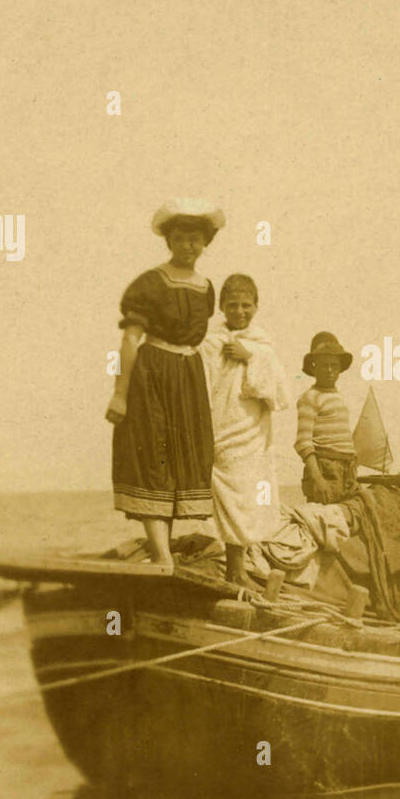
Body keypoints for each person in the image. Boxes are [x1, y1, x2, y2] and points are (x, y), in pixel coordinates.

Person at [106, 200, 225, 567]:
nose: (188, 246)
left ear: (205, 243)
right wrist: (120, 394)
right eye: (181, 238)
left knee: (180, 460)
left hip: (188, 377)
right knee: (151, 459)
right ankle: (161, 556)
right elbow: (129, 341)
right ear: (169, 241)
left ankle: (164, 554)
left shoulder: (206, 288)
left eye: (195, 239)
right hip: (152, 374)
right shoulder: (150, 283)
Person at [200, 274, 291, 587]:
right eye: (233, 305)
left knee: (249, 495)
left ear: (256, 306)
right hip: (222, 427)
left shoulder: (262, 345)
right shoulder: (210, 343)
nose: (240, 311)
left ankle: (237, 567)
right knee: (230, 492)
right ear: (222, 307)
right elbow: (202, 385)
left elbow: (280, 395)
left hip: (251, 428)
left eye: (246, 305)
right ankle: (234, 568)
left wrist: (249, 357)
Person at [295, 331, 358, 504]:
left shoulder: (338, 396)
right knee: (327, 524)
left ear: (340, 369)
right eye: (324, 365)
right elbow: (303, 443)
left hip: (347, 470)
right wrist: (318, 479)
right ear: (314, 367)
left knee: (347, 524)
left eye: (334, 365)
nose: (329, 370)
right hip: (325, 470)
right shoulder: (310, 397)